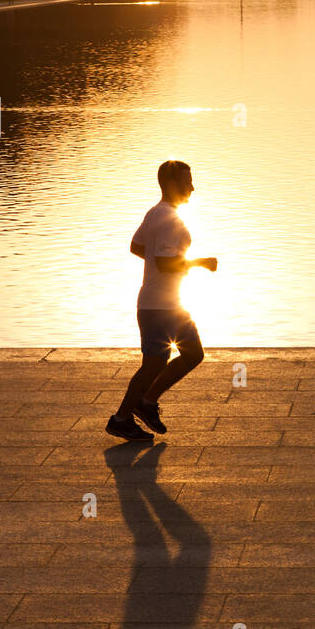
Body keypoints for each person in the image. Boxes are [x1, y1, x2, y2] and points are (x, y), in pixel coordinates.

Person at [107, 160, 218, 442]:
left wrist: (159, 264)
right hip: (159, 306)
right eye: (186, 182)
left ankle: (146, 403)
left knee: (191, 354)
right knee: (154, 364)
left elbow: (137, 247)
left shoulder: (156, 213)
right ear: (170, 184)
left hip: (168, 303)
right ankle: (121, 418)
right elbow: (167, 263)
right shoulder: (171, 219)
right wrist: (199, 263)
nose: (192, 187)